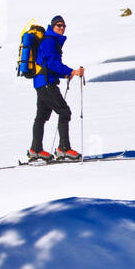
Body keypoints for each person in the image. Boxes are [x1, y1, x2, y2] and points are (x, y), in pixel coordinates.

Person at [28, 15, 86, 162]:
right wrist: (71, 71)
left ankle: (36, 150)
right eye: (58, 25)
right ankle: (64, 149)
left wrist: (64, 75)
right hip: (46, 83)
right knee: (64, 112)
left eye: (63, 26)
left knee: (41, 116)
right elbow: (52, 64)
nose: (61, 28)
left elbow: (48, 65)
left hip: (43, 82)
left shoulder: (51, 41)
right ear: (52, 27)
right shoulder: (49, 41)